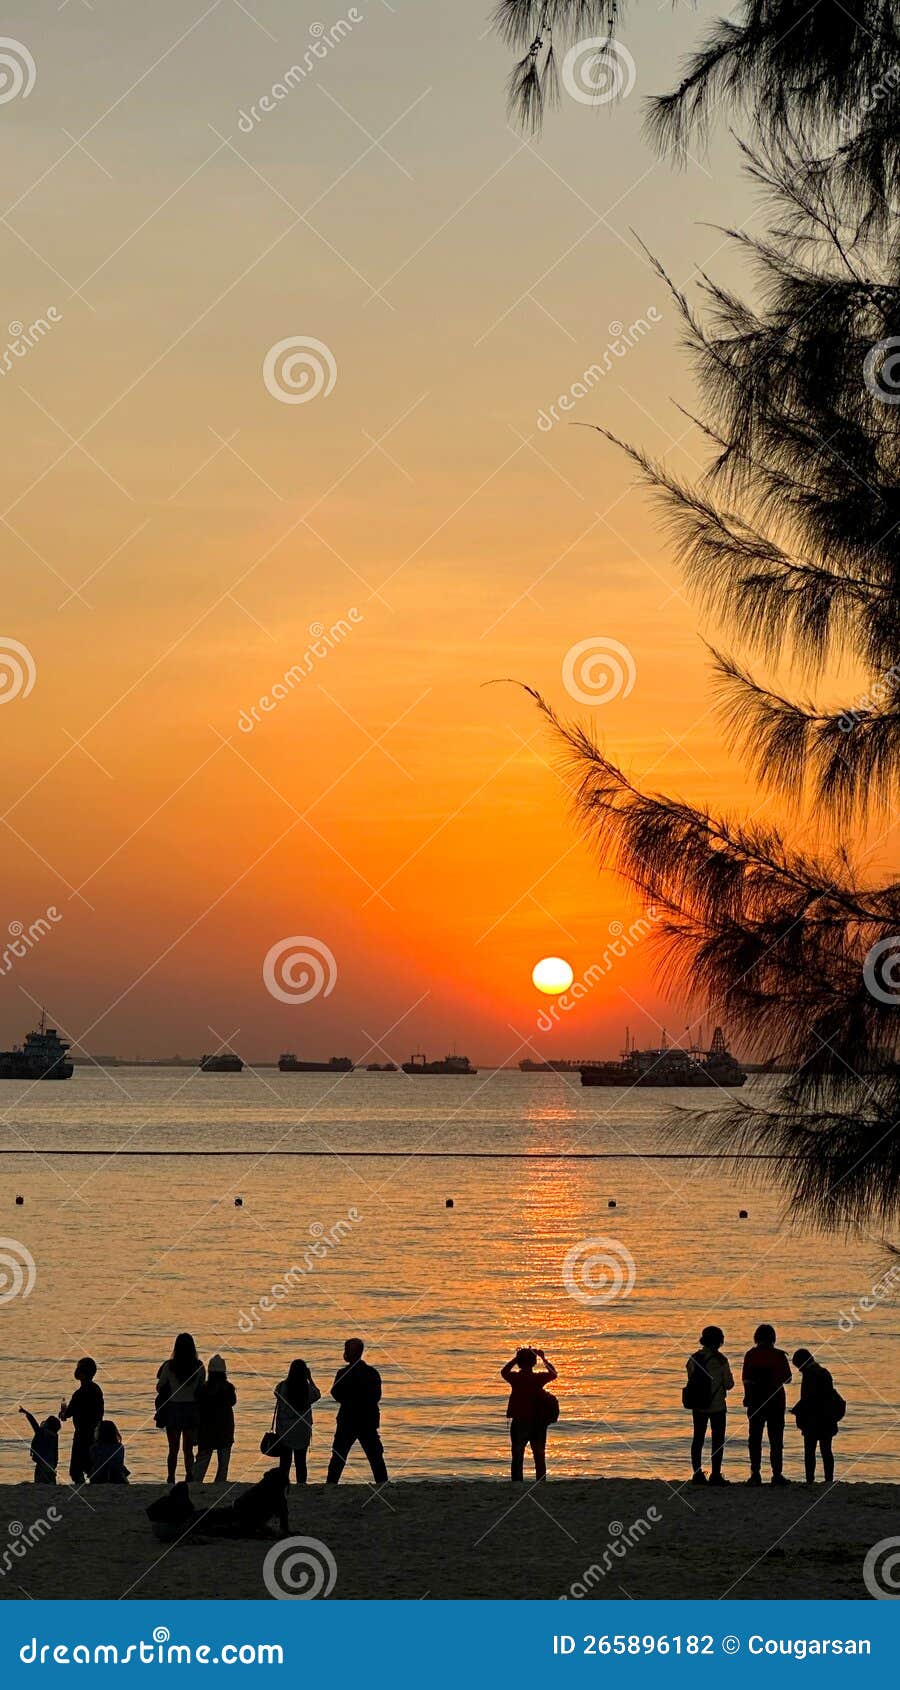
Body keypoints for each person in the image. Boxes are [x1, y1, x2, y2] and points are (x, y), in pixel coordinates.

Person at [326, 1337, 388, 1485]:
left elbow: (335, 1393)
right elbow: (376, 1396)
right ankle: (382, 1482)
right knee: (375, 1456)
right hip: (367, 1419)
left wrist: (349, 1400)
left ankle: (331, 1484)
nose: (344, 1353)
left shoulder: (343, 1373)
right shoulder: (372, 1372)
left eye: (346, 1350)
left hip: (348, 1419)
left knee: (339, 1455)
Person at [742, 1323, 792, 1486]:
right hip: (776, 1402)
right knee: (776, 1439)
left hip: (756, 1402)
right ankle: (777, 1474)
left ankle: (755, 1474)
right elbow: (788, 1379)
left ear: (756, 1338)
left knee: (755, 1439)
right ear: (773, 1338)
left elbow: (746, 1379)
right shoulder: (779, 1356)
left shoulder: (750, 1355)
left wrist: (747, 1397)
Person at [685, 1324, 734, 1485]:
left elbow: (691, 1378)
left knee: (697, 1438)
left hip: (698, 1405)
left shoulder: (693, 1359)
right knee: (717, 1440)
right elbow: (729, 1384)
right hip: (717, 1406)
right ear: (720, 1341)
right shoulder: (721, 1361)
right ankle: (715, 1475)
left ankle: (697, 1473)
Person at [500, 1346, 558, 1482]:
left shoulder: (515, 1378)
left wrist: (516, 1358)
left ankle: (517, 1482)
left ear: (519, 1363)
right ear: (534, 1363)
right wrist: (543, 1358)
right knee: (539, 1456)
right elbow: (553, 1374)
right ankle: (540, 1482)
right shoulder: (538, 1379)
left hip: (520, 1422)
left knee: (517, 1456)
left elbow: (504, 1371)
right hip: (537, 1422)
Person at [156, 1333, 205, 1484]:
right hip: (191, 1409)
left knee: (173, 1448)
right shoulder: (199, 1366)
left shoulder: (169, 1366)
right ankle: (189, 1475)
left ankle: (171, 1477)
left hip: (173, 1409)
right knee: (188, 1449)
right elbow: (201, 1387)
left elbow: (159, 1387)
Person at [791, 1348, 841, 1484]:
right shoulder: (825, 1372)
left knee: (810, 1451)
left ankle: (810, 1479)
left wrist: (800, 1415)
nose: (799, 1370)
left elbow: (807, 1399)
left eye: (798, 1366)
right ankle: (829, 1479)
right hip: (827, 1418)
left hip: (813, 1420)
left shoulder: (809, 1375)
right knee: (826, 1450)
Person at [196, 1469, 290, 1539]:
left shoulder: (264, 1491)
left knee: (212, 1517)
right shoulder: (267, 1494)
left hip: (238, 1513)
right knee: (213, 1519)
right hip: (238, 1515)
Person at [273, 1358, 321, 1484]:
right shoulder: (307, 1390)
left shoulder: (282, 1387)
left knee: (284, 1463)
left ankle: (283, 1486)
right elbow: (317, 1394)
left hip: (284, 1429)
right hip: (302, 1430)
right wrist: (310, 1379)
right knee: (301, 1462)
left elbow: (276, 1394)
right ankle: (301, 1485)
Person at [60, 1357, 104, 1485]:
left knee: (76, 1469)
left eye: (78, 1368)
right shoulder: (96, 1389)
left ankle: (83, 1486)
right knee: (90, 1464)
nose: (75, 1370)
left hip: (81, 1433)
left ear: (82, 1372)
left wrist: (62, 1413)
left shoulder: (79, 1393)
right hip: (95, 1431)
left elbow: (68, 1413)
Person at [194, 1355, 237, 1483]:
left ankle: (195, 1482)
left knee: (202, 1461)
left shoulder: (204, 1388)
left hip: (206, 1429)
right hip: (225, 1428)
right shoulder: (228, 1388)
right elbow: (233, 1402)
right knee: (223, 1463)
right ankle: (220, 1483)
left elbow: (198, 1406)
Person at [19, 1407, 60, 1484]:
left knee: (39, 1481)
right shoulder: (55, 1436)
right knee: (51, 1481)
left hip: (42, 1464)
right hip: (51, 1465)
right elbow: (56, 1452)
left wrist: (27, 1413)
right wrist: (55, 1463)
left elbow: (34, 1424)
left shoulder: (42, 1432)